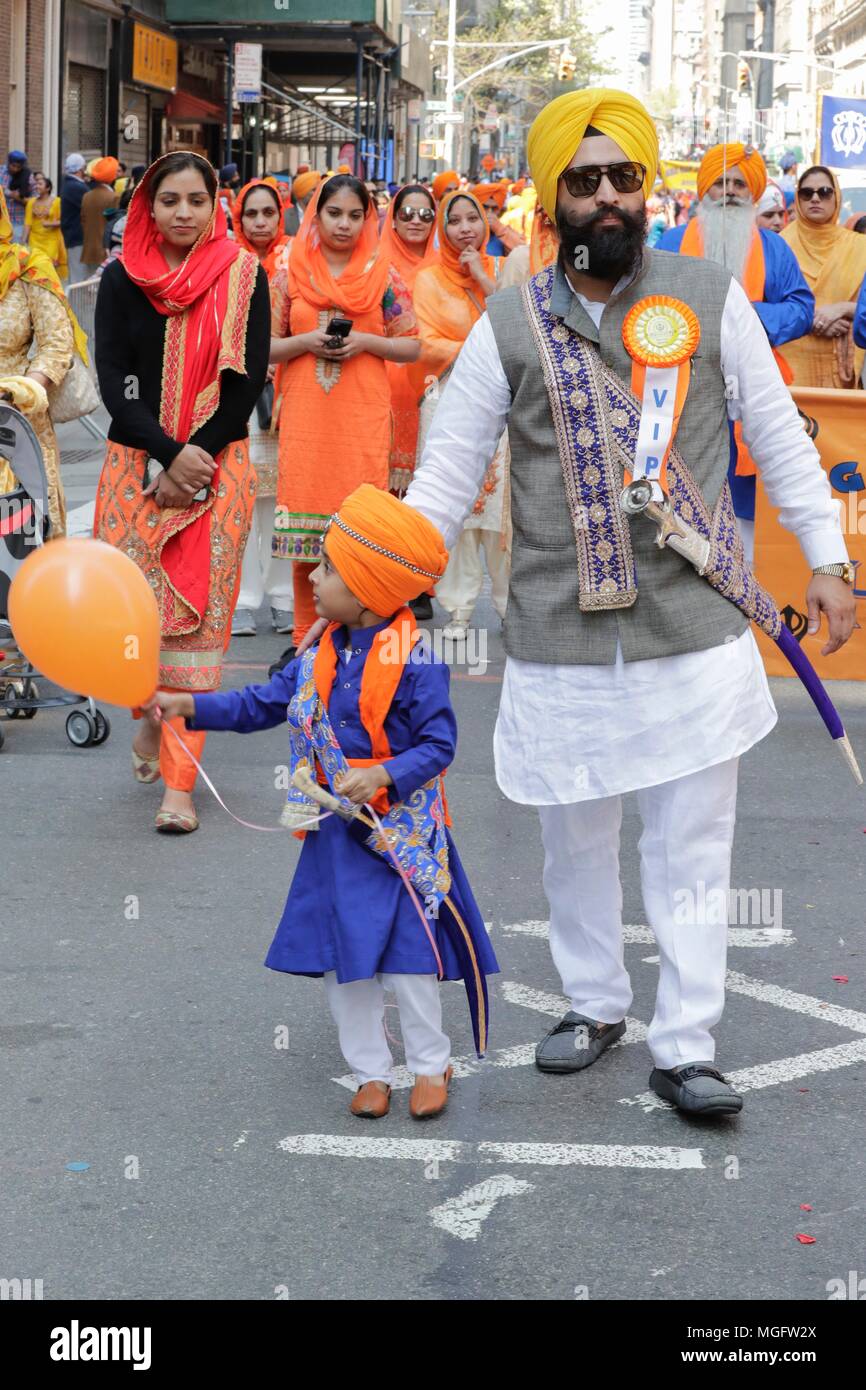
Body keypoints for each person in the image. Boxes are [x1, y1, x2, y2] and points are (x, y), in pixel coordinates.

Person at [404, 88, 855, 1117]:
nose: (606, 197)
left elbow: (778, 429)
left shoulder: (704, 291)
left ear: (646, 188)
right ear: (550, 195)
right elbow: (445, 471)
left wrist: (823, 558)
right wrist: (392, 578)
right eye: (583, 179)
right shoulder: (507, 322)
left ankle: (685, 1040)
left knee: (691, 842)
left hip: (689, 629)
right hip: (559, 630)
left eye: (623, 177)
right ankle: (593, 1002)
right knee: (572, 838)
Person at [142, 485, 499, 1118]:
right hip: (334, 836)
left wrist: (385, 773)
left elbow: (440, 745)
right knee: (345, 961)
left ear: (368, 591)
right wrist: (190, 704)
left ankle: (428, 1064)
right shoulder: (313, 651)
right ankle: (368, 1070)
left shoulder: (417, 663)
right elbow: (261, 704)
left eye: (330, 569)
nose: (315, 578)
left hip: (397, 835)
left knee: (410, 960)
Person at [93, 152, 271, 835]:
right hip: (133, 469)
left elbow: (246, 381)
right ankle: (149, 719)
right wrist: (167, 455)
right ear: (148, 206)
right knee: (136, 626)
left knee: (195, 638)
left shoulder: (244, 274)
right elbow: (115, 382)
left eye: (197, 199)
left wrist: (196, 459)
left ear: (214, 203)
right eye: (170, 200)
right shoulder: (119, 281)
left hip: (217, 470)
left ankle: (180, 790)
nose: (185, 212)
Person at [268, 173, 420, 656]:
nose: (344, 224)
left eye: (356, 215)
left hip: (361, 424)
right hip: (307, 424)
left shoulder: (384, 274)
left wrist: (364, 343)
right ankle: (302, 646)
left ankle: (356, 648)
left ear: (368, 219)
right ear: (315, 213)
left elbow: (412, 344)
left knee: (357, 543)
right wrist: (306, 343)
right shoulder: (288, 272)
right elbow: (261, 347)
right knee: (304, 544)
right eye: (334, 213)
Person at [657, 144, 814, 557]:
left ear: (753, 192)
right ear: (704, 191)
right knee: (685, 503)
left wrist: (743, 320)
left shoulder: (773, 248)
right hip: (680, 392)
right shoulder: (671, 243)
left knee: (746, 521)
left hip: (751, 391)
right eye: (720, 183)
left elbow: (801, 307)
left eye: (739, 184)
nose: (729, 191)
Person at [410, 189, 508, 641]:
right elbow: (425, 343)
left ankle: (509, 606)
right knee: (459, 503)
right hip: (448, 395)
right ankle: (458, 607)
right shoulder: (428, 279)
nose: (465, 227)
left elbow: (518, 326)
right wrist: (478, 354)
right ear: (443, 229)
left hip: (505, 398)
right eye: (455, 220)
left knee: (502, 507)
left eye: (473, 218)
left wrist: (482, 280)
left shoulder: (502, 270)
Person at [229, 179, 295, 638]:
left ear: (281, 213)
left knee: (280, 502)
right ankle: (242, 598)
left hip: (287, 392)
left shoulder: (298, 259)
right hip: (234, 394)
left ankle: (283, 597)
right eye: (250, 213)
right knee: (241, 500)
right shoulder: (224, 260)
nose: (259, 222)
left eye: (268, 212)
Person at [0, 186, 81, 536]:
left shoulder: (28, 268)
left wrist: (25, 388)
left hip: (16, 424)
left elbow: (57, 343)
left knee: (20, 541)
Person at [377, 183, 438, 498]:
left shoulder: (446, 269)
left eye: (425, 214)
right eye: (407, 213)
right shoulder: (374, 268)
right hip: (382, 384)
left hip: (432, 386)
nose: (416, 220)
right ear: (394, 220)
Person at [781, 166, 866, 390]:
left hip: (843, 371)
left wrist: (844, 309)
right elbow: (766, 305)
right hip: (791, 372)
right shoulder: (779, 246)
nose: (815, 198)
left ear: (836, 197)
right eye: (807, 193)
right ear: (798, 199)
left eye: (825, 192)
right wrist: (811, 321)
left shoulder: (860, 246)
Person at [23, 174, 67, 279]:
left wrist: (50, 224)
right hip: (34, 239)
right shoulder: (31, 202)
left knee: (49, 267)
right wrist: (23, 240)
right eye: (36, 184)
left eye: (40, 184)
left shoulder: (57, 202)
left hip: (51, 240)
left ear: (48, 188)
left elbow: (64, 221)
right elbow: (27, 222)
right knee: (35, 267)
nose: (37, 186)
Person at [81, 157, 120, 274]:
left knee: (88, 288)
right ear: (112, 176)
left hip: (89, 250)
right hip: (106, 251)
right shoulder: (115, 197)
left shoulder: (86, 196)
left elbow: (83, 221)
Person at [60, 153, 88, 283]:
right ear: (80, 169)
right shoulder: (76, 187)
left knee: (76, 273)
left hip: (72, 236)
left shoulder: (68, 185)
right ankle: (75, 304)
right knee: (78, 276)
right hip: (78, 237)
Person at [1, 151, 34, 242]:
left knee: (17, 252)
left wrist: (13, 195)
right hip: (2, 221)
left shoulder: (28, 177)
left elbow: (34, 201)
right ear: (8, 162)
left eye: (18, 167)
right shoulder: (1, 173)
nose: (15, 169)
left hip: (18, 222)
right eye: (13, 166)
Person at [283, 169, 320, 236]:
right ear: (302, 192)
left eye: (318, 190)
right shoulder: (285, 216)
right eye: (314, 190)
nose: (317, 193)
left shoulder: (321, 215)